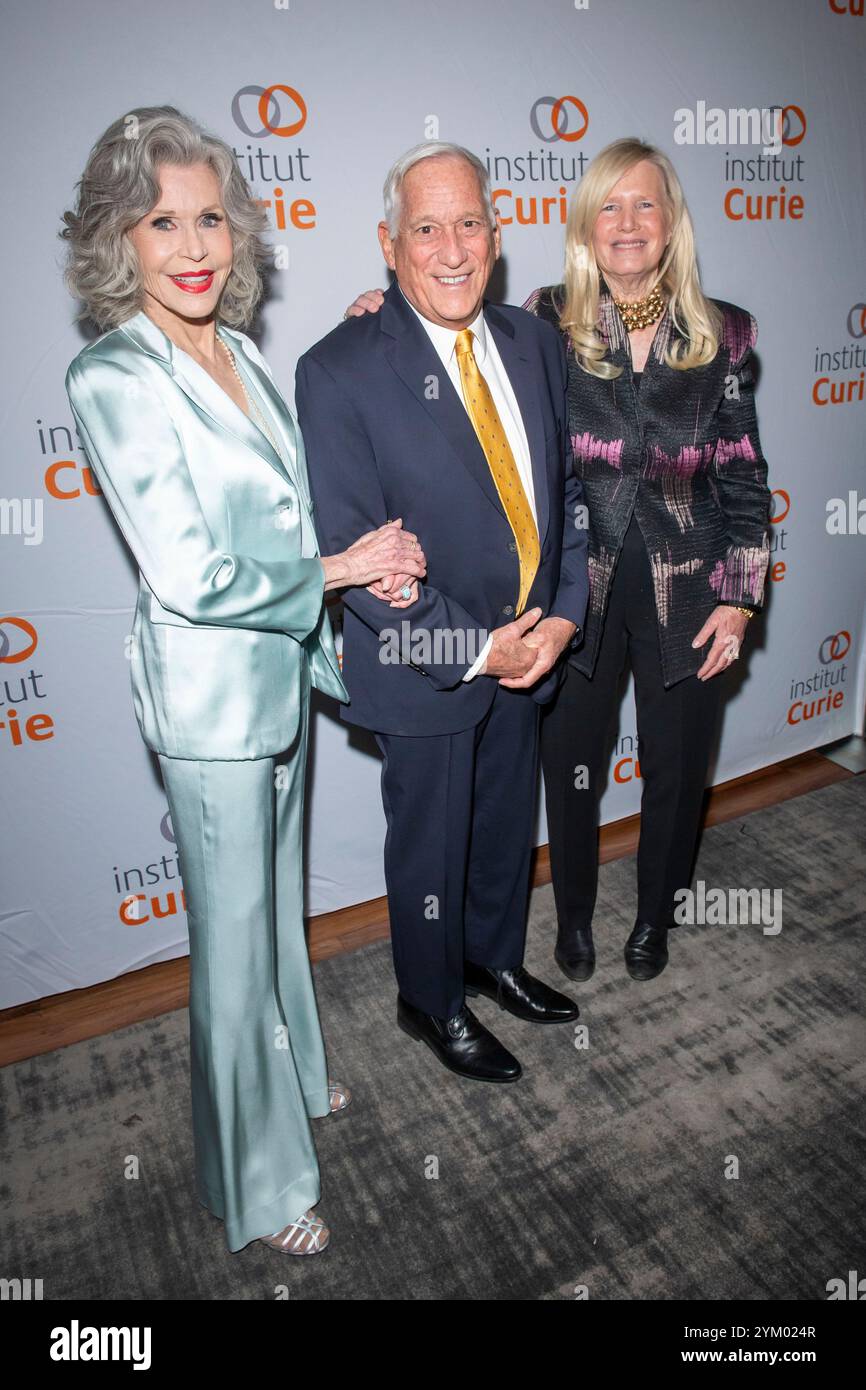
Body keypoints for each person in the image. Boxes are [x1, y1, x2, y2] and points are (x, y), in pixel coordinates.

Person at [62, 106, 426, 1256]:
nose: (191, 244)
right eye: (159, 221)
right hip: (210, 704)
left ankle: (300, 1085)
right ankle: (259, 1186)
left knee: (276, 923)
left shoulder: (240, 350)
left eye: (209, 216)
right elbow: (190, 567)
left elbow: (277, 487)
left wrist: (362, 329)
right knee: (228, 954)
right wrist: (341, 568)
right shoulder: (113, 374)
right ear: (118, 240)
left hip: (274, 679)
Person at [346, 136, 771, 986]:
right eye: (608, 205)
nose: (626, 223)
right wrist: (380, 309)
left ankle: (654, 920)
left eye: (644, 203)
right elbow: (440, 331)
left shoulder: (722, 333)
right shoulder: (544, 319)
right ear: (583, 223)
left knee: (676, 770)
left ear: (671, 221)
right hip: (577, 590)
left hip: (690, 593)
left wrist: (741, 595)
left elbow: (745, 477)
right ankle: (572, 923)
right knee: (569, 772)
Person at [296, 142, 588, 1085]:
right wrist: (478, 650)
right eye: (427, 227)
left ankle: (494, 960)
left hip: (531, 647)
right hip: (432, 664)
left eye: (470, 224)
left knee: (507, 824)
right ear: (390, 244)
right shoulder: (337, 370)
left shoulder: (536, 343)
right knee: (431, 845)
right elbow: (357, 554)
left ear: (497, 239)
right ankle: (430, 998)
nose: (452, 248)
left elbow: (568, 494)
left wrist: (564, 617)